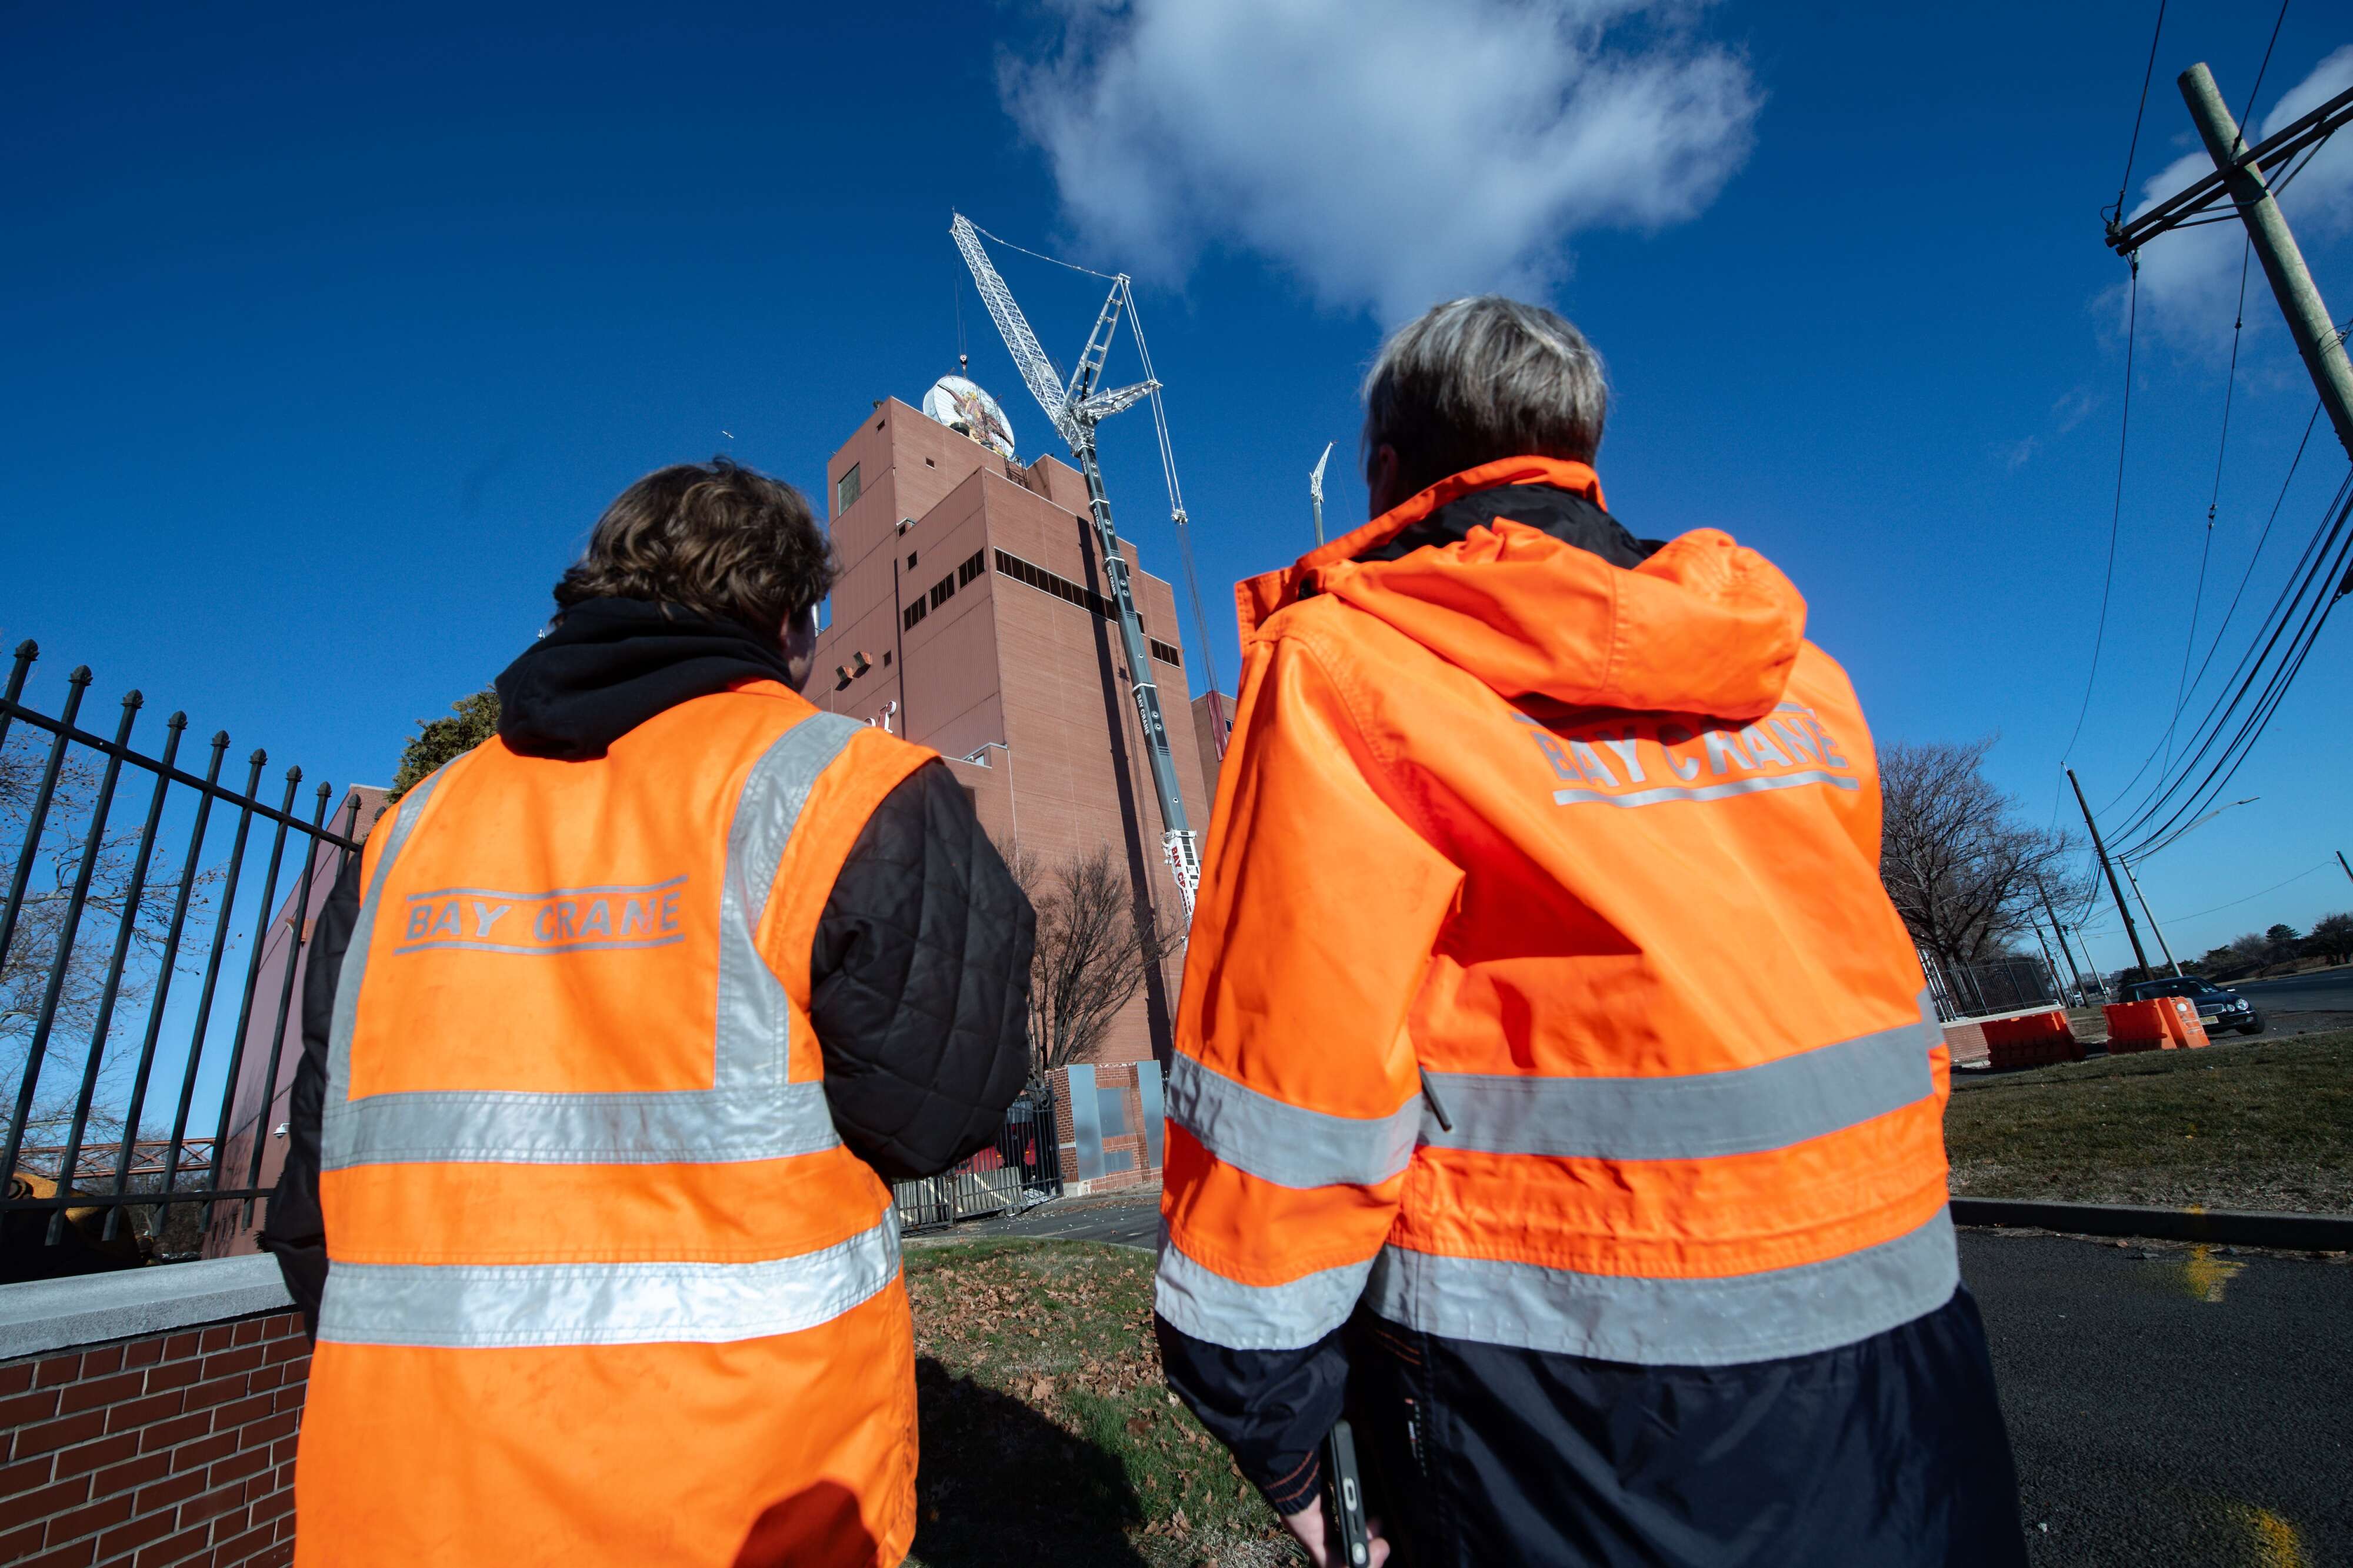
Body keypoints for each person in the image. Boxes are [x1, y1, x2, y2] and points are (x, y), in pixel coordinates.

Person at [1153, 298, 2026, 1567]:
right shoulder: (1796, 682)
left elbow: (1289, 1089)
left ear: (1386, 472)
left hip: (1564, 1412)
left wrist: (1275, 1428)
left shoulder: (1344, 668)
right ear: (1578, 449)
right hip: (1909, 1368)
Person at [261, 457, 1035, 1568]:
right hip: (739, 1505)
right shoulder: (845, 788)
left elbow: (310, 1209)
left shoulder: (408, 833)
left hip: (402, 1510)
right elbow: (943, 1108)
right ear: (792, 621)